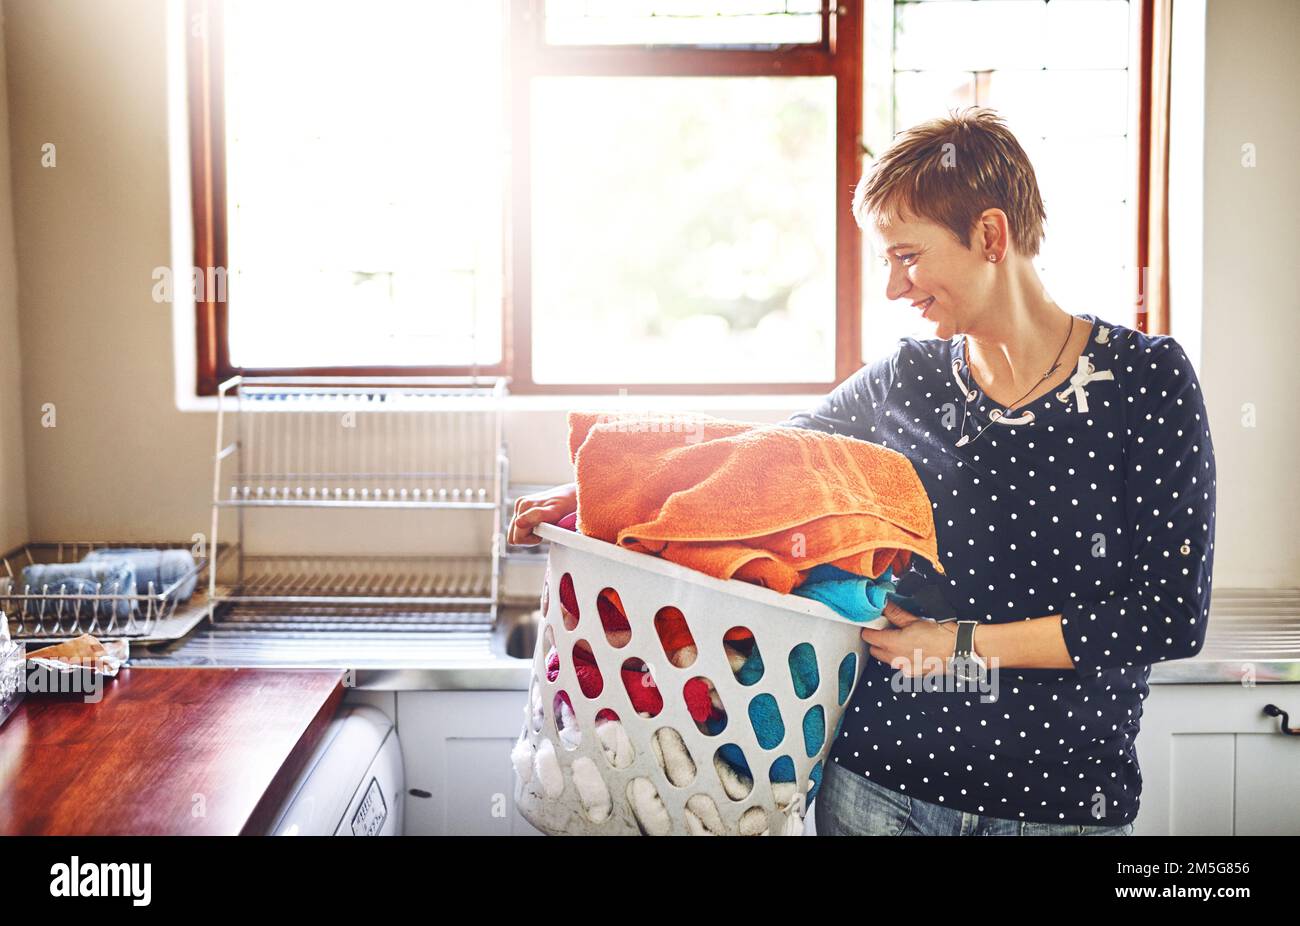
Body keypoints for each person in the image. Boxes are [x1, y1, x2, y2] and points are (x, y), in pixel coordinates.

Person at [510, 105, 1217, 836]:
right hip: (878, 790)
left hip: (1059, 802)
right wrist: (592, 498)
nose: (893, 287)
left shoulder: (1144, 382)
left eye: (907, 256)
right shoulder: (907, 379)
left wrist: (956, 647)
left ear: (990, 235)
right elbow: (755, 471)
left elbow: (1167, 615)